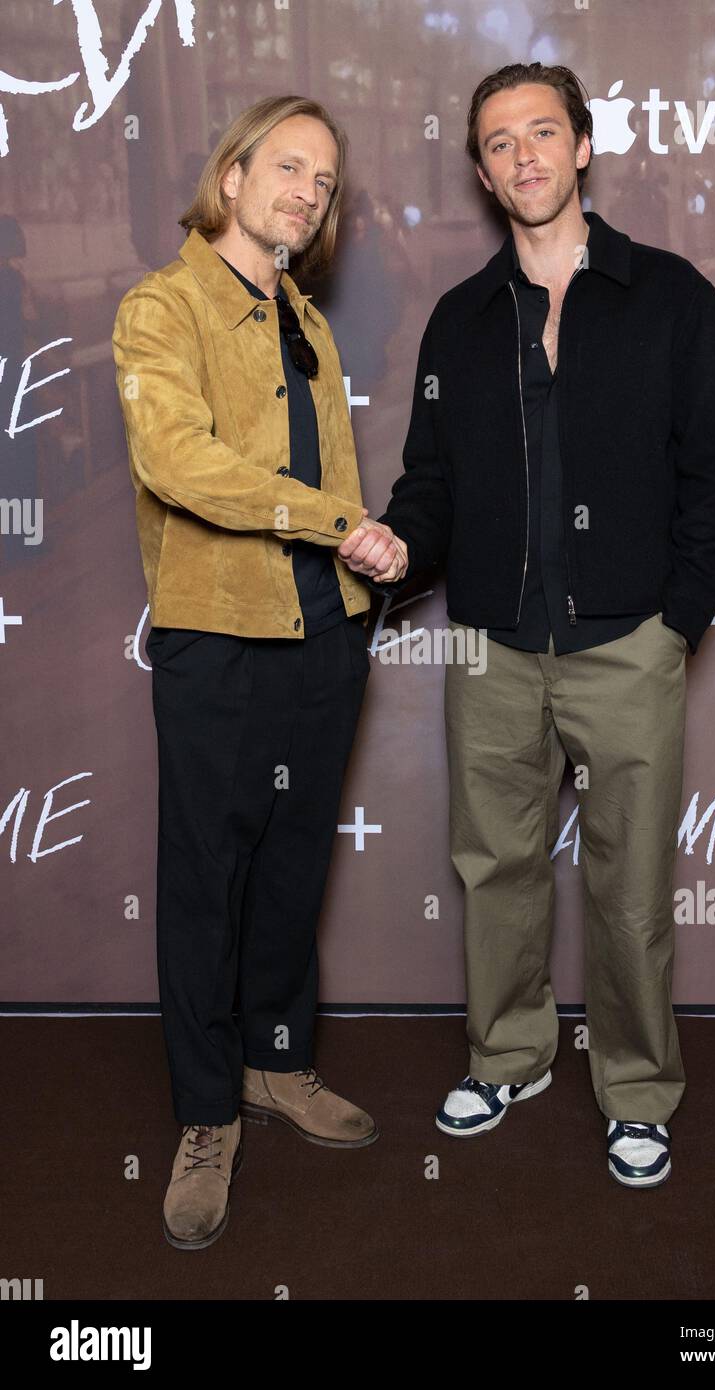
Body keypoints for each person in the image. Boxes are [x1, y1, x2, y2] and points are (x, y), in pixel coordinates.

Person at [339, 62, 715, 1189]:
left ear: (580, 147)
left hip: (628, 646)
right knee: (497, 870)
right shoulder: (461, 320)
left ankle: (636, 1090)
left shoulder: (673, 298)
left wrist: (674, 622)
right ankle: (509, 1054)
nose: (522, 156)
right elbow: (429, 483)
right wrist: (397, 545)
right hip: (492, 649)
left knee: (627, 887)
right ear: (480, 169)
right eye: (498, 142)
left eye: (541, 132)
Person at [112, 94, 406, 1249]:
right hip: (216, 636)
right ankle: (203, 1114)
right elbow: (179, 461)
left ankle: (276, 1064)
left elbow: (327, 478)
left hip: (321, 635)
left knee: (290, 869)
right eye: (287, 167)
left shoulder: (304, 317)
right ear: (229, 175)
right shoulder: (160, 305)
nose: (306, 192)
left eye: (324, 182)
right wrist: (337, 520)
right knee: (203, 880)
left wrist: (361, 554)